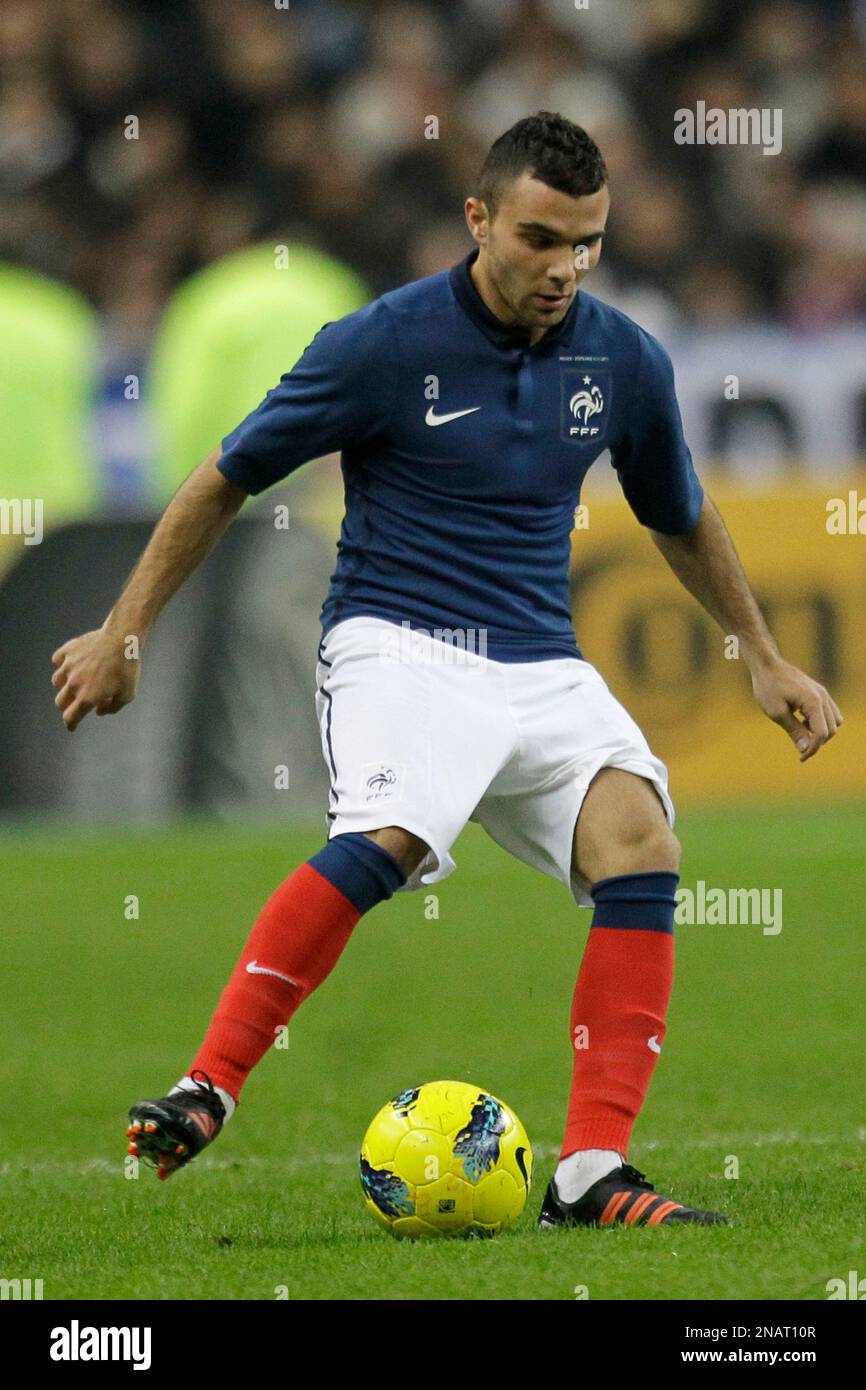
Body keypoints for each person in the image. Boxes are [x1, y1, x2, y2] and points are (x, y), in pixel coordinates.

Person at [51, 112, 842, 1229]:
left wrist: (759, 656)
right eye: (538, 239)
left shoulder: (621, 356)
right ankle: (206, 1085)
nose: (563, 267)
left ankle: (589, 1173)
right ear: (476, 220)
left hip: (538, 657)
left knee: (640, 839)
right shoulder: (382, 343)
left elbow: (680, 513)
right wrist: (121, 633)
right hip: (396, 638)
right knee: (397, 833)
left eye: (586, 242)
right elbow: (221, 478)